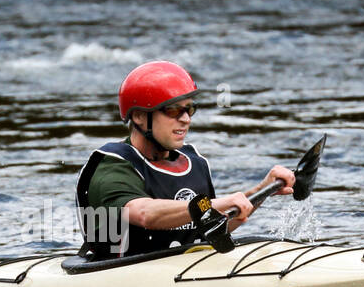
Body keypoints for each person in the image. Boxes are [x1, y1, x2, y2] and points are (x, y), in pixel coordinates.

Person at [76, 60, 295, 259]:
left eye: (189, 109)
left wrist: (261, 191)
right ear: (139, 116)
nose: (186, 119)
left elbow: (213, 224)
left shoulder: (194, 162)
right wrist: (212, 204)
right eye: (173, 110)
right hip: (118, 276)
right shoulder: (112, 167)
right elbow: (145, 213)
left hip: (182, 272)